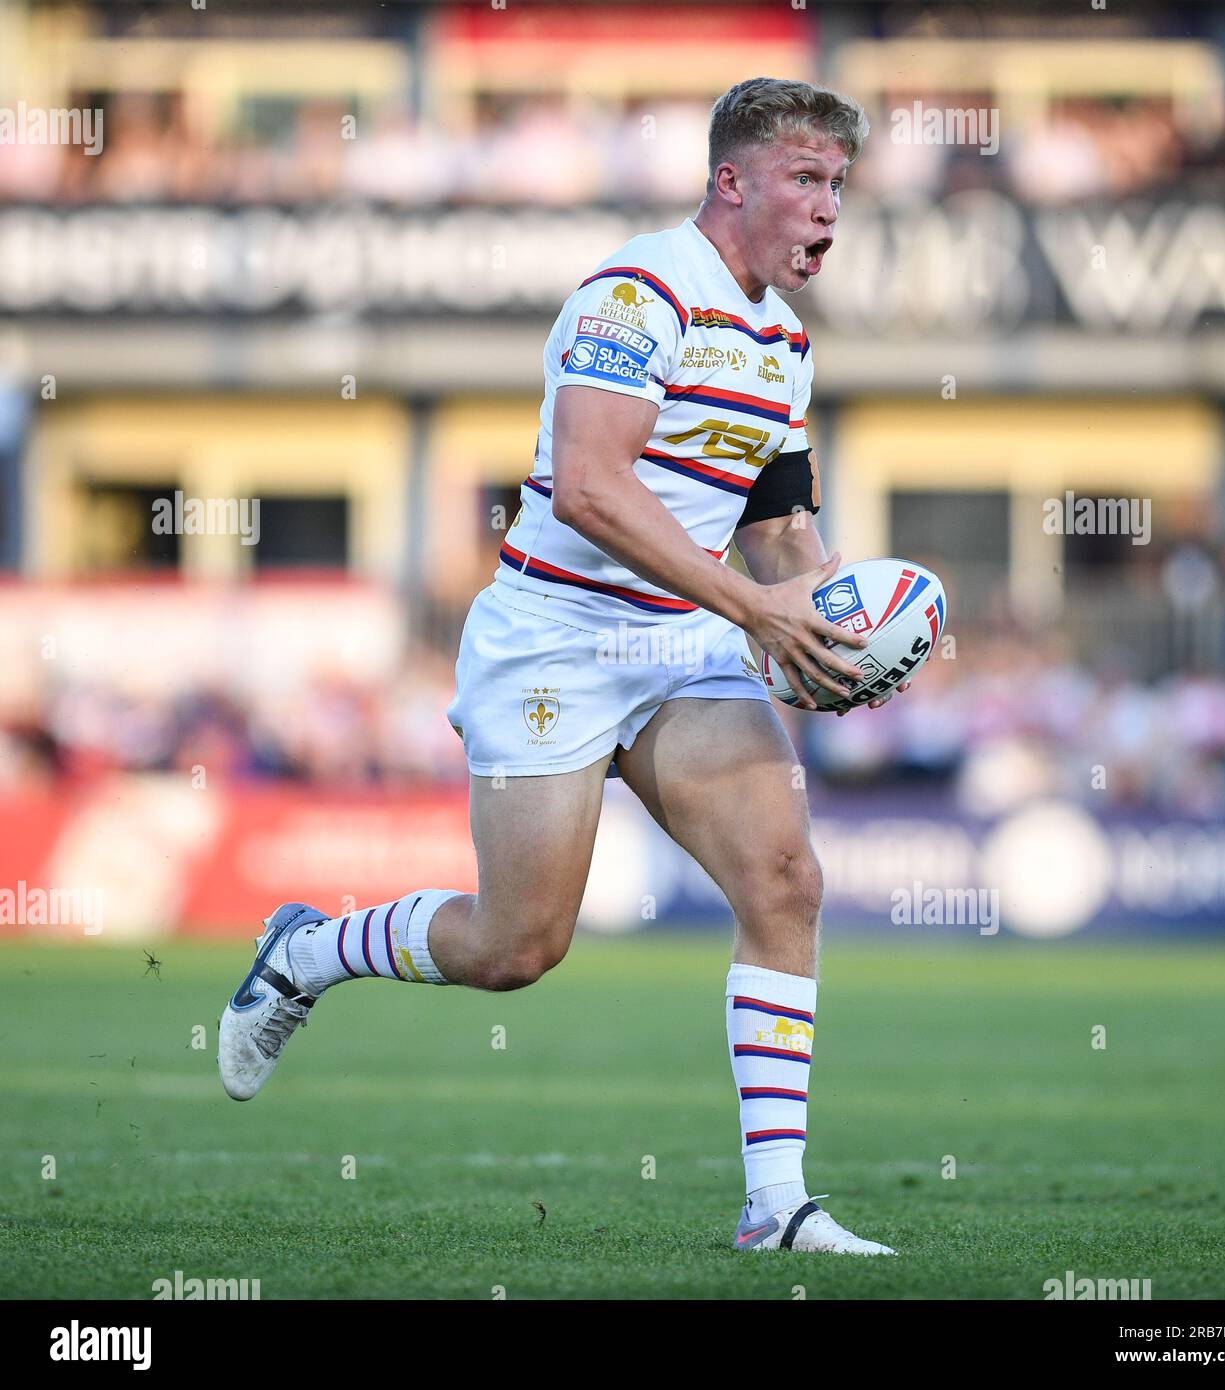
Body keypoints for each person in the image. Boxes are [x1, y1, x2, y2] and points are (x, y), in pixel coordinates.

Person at [219, 76, 900, 1257]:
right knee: (516, 946)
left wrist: (834, 624)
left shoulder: (783, 340)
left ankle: (776, 1206)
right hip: (556, 638)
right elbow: (590, 486)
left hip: (682, 641)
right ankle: (307, 951)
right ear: (729, 182)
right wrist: (755, 608)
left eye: (837, 184)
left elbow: (781, 526)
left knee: (785, 882)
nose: (826, 208)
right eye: (803, 180)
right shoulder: (637, 296)